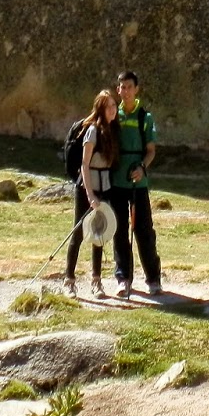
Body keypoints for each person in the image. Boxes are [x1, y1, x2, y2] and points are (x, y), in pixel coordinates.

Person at [109, 69, 161, 297]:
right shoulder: (114, 115)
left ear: (136, 89)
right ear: (118, 89)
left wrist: (142, 168)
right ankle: (123, 278)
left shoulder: (145, 117)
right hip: (117, 182)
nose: (126, 91)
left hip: (138, 184)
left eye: (130, 87)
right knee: (119, 231)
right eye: (122, 87)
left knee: (143, 230)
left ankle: (153, 278)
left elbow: (151, 151)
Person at [64, 88, 118, 297]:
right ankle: (69, 280)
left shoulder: (112, 130)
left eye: (114, 105)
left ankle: (97, 281)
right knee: (78, 233)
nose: (113, 110)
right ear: (101, 109)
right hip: (88, 187)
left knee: (99, 233)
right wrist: (90, 195)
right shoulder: (93, 131)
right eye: (109, 106)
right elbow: (84, 165)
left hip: (104, 187)